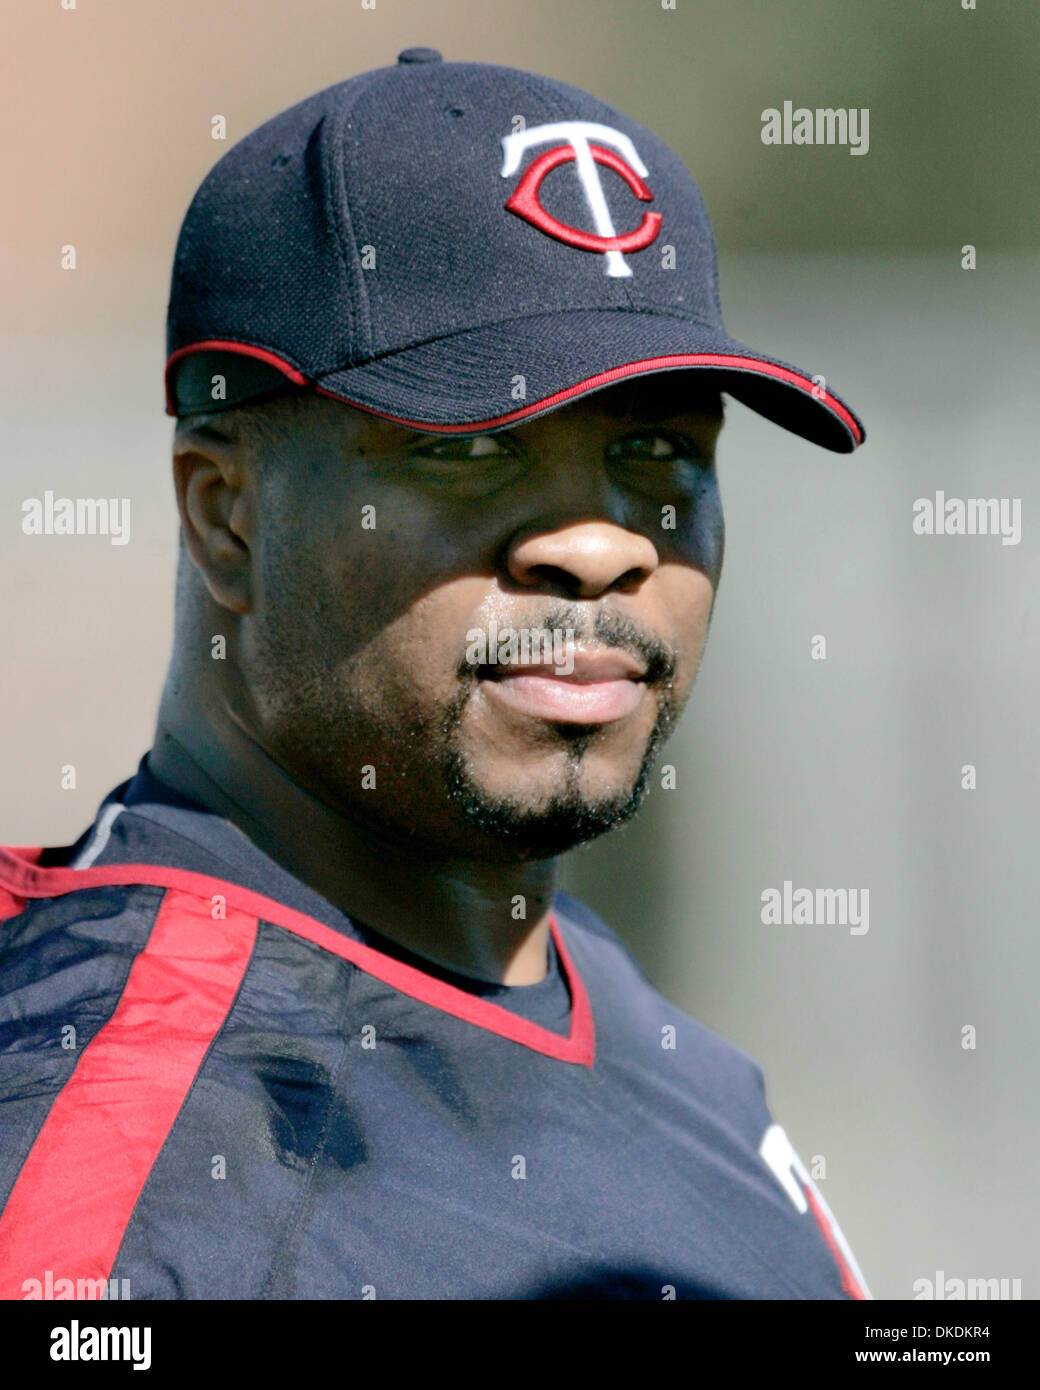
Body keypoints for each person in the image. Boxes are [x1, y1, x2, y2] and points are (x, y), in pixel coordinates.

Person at [0, 47, 870, 1300]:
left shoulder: (643, 1033)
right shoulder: (109, 1190)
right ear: (226, 514)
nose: (599, 542)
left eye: (652, 447)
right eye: (467, 446)